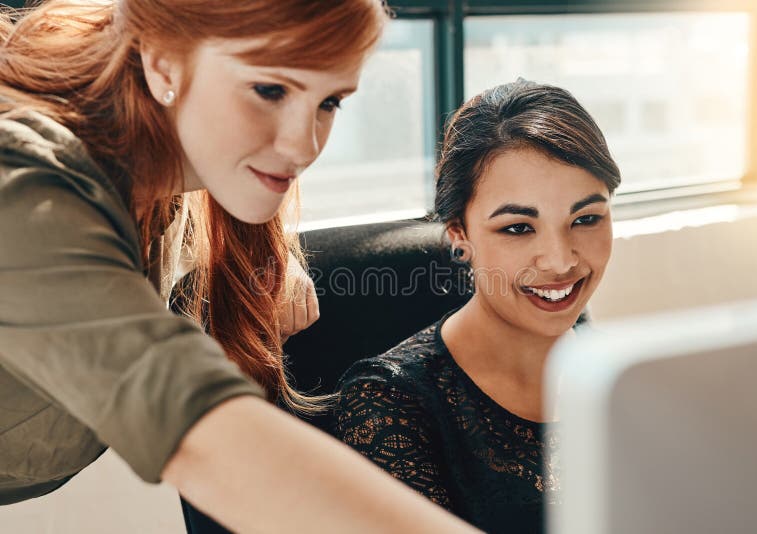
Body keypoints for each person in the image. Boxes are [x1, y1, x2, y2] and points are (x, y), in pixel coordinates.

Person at [0, 1, 478, 532]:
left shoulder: (163, 169)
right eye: (269, 90)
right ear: (162, 65)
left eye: (329, 102)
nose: (303, 146)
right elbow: (208, 441)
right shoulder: (29, 193)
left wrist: (267, 253)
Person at [333, 79, 622, 533]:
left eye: (586, 219)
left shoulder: (617, 369)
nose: (561, 261)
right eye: (518, 228)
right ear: (459, 235)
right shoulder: (389, 403)